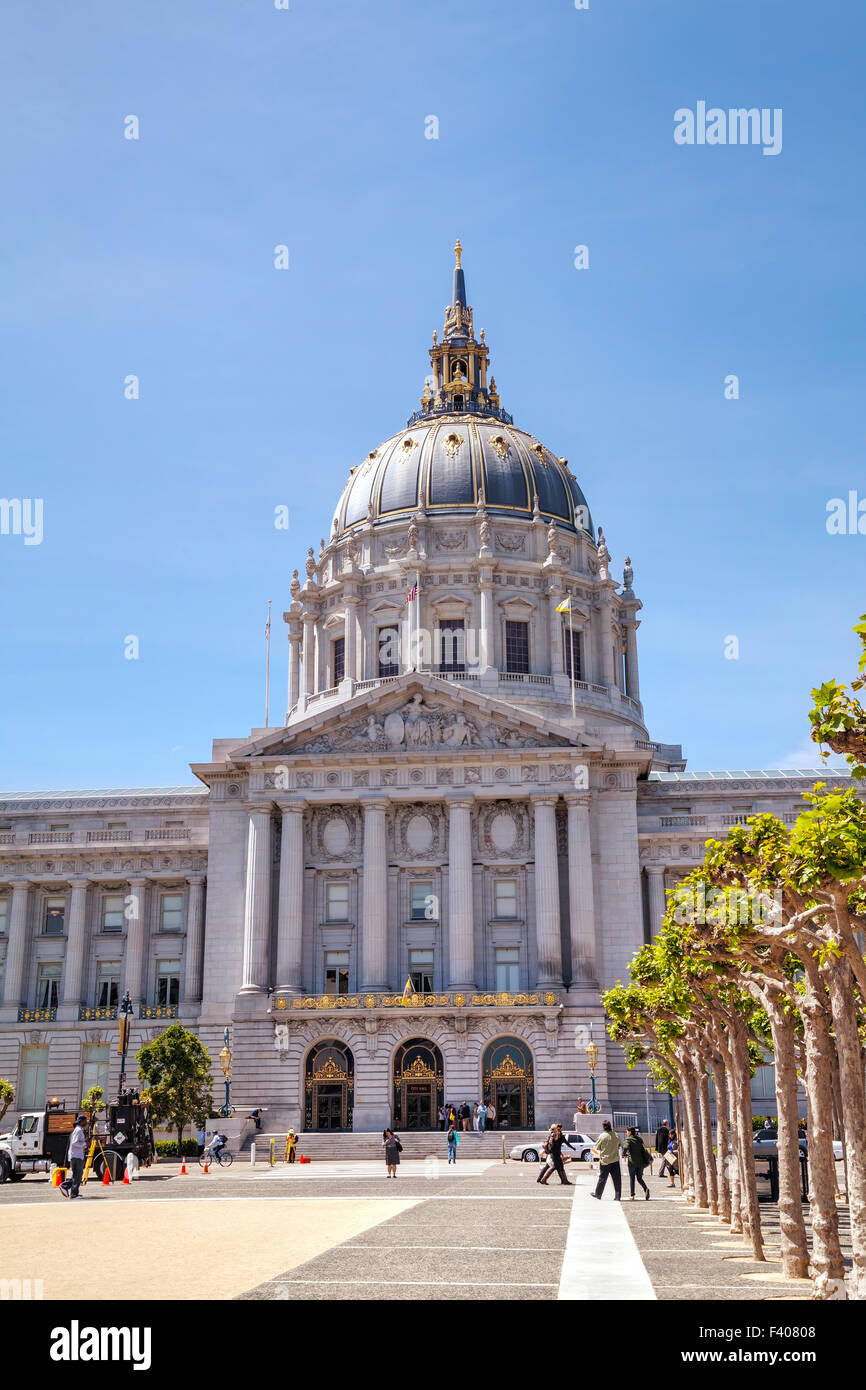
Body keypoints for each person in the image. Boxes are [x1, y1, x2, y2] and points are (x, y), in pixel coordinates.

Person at [590, 1121, 622, 1200]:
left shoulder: (602, 1136)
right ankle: (617, 1196)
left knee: (602, 1178)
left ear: (604, 1127)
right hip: (615, 1160)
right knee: (617, 1179)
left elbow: (597, 1148)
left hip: (605, 1161)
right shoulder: (616, 1135)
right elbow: (619, 1145)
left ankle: (598, 1194)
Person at [60, 1113, 88, 1199]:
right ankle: (70, 1190)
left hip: (76, 1155)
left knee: (77, 1175)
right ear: (81, 1121)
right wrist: (85, 1144)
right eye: (85, 1121)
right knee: (78, 1175)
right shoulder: (78, 1130)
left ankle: (72, 1191)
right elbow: (75, 1142)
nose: (86, 1122)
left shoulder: (78, 1130)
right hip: (76, 1156)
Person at [623, 1126, 651, 1200]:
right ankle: (646, 1189)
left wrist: (624, 1154)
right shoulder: (639, 1139)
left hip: (632, 1162)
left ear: (629, 1132)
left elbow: (625, 1148)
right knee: (639, 1178)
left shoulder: (628, 1140)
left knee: (632, 1178)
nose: (626, 1133)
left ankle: (632, 1195)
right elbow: (643, 1149)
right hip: (641, 1162)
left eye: (627, 1131)